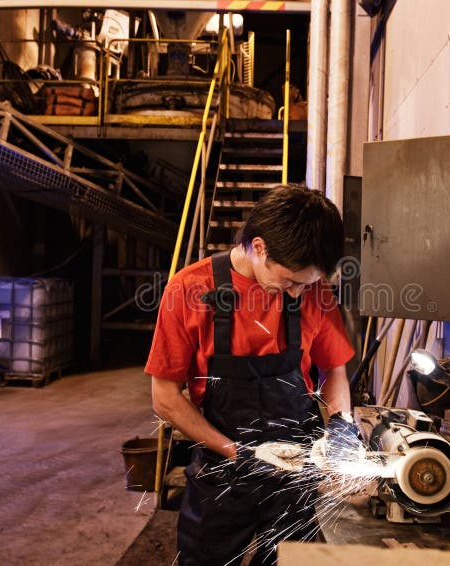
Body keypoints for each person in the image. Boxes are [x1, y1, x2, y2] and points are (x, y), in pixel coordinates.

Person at [146, 184, 360, 565]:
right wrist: (240, 453)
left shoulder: (313, 290)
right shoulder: (189, 289)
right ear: (258, 248)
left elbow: (335, 369)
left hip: (297, 476)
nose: (297, 293)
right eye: (291, 281)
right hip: (222, 473)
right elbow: (164, 398)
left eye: (307, 284)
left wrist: (342, 425)